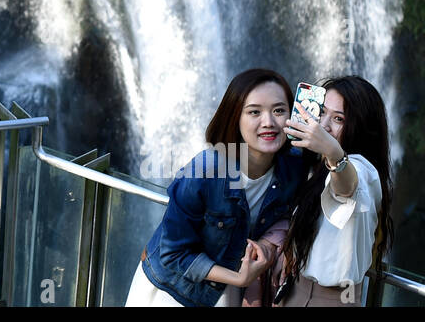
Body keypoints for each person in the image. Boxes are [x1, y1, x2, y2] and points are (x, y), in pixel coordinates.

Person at [126, 68, 305, 307]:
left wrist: (267, 244)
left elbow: (289, 214)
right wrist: (239, 278)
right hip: (172, 290)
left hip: (226, 292)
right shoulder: (205, 170)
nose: (269, 123)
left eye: (279, 111)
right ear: (235, 118)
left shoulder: (293, 165)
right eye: (254, 112)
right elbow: (173, 253)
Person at [274, 75, 394, 307]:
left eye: (338, 118)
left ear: (362, 127)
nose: (323, 126)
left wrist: (333, 152)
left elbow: (347, 187)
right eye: (322, 113)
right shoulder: (317, 169)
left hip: (334, 299)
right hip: (294, 289)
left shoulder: (362, 170)